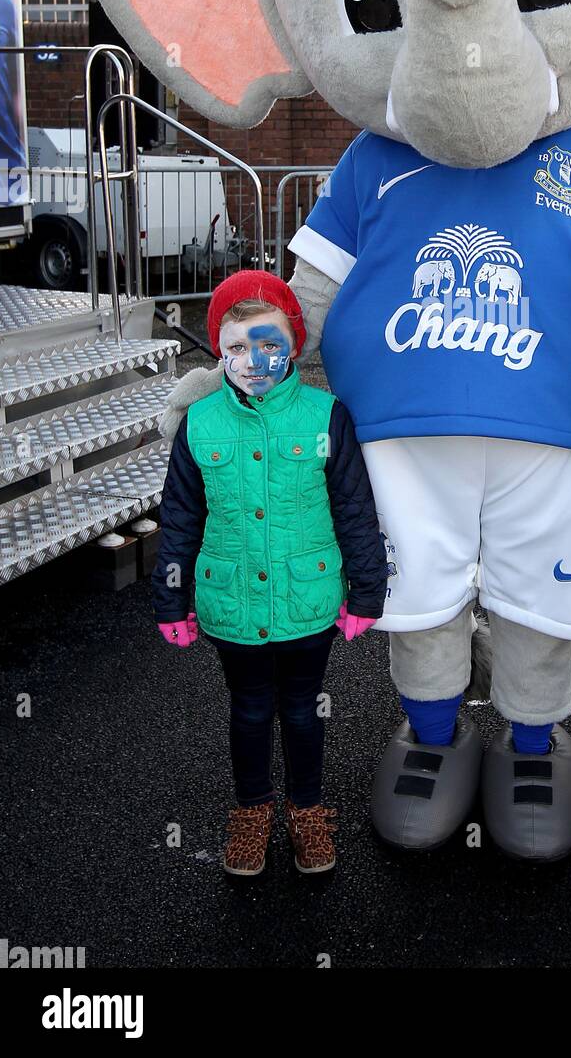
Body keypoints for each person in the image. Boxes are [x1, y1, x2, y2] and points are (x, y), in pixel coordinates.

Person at [152, 270, 388, 877]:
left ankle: (307, 811)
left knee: (305, 710)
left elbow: (355, 509)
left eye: (268, 343)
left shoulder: (326, 415)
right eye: (235, 347)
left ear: (292, 343)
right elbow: (179, 516)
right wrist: (170, 600)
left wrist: (367, 591)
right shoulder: (200, 423)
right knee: (250, 710)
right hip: (233, 605)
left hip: (307, 599)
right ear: (218, 349)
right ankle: (253, 812)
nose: (253, 360)